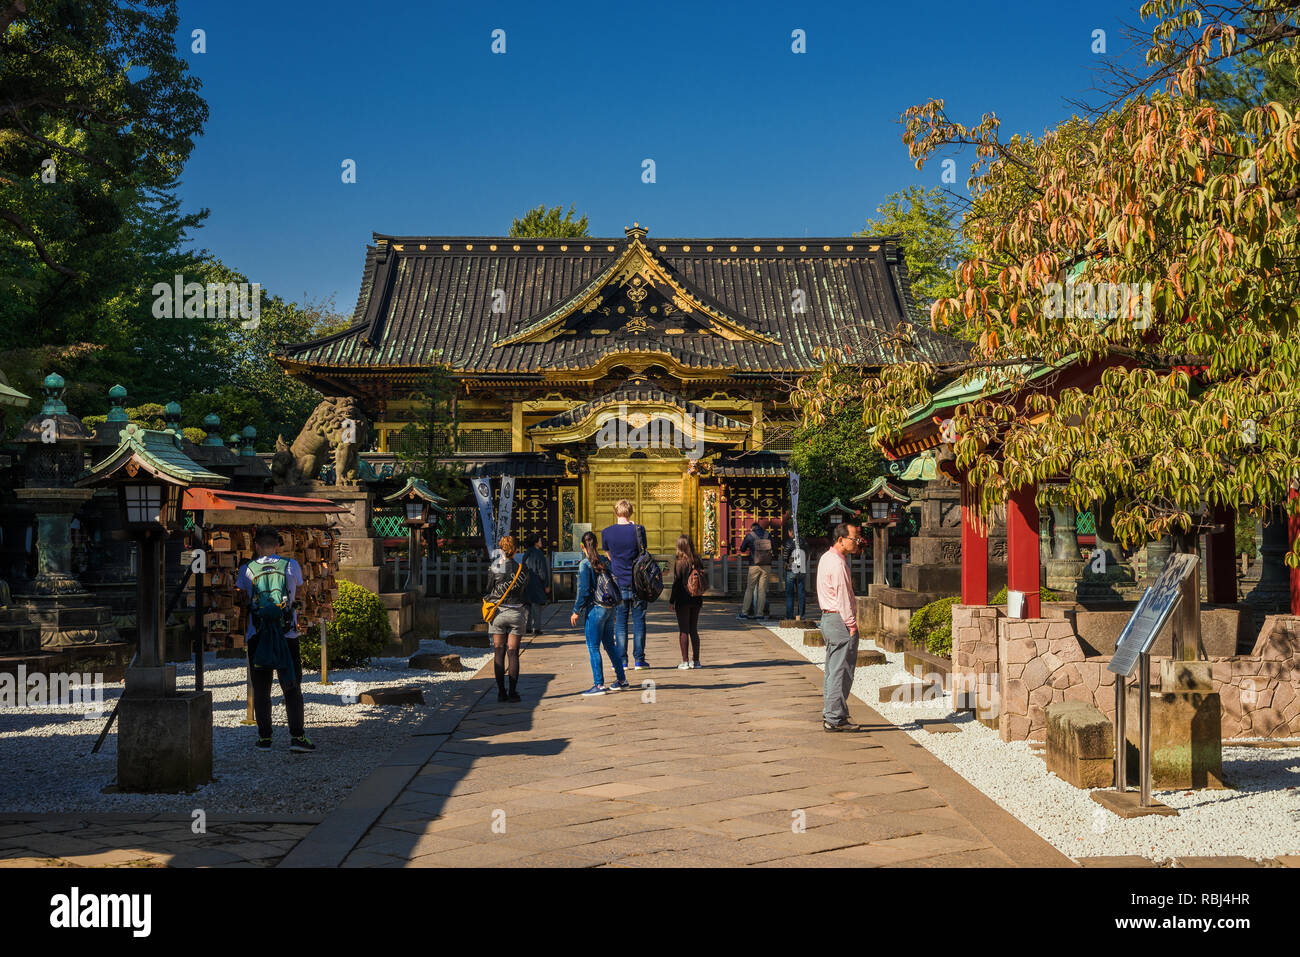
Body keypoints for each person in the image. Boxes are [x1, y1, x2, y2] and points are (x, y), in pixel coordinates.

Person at [236, 526, 314, 752]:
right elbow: (299, 590)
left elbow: (242, 596)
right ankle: (297, 737)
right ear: (278, 545)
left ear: (257, 546)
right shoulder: (291, 565)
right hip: (286, 634)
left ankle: (265, 739)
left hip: (257, 635)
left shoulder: (247, 569)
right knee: (291, 685)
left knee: (261, 689)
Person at [816, 522, 865, 732]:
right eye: (854, 539)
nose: (857, 543)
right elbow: (843, 597)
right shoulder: (837, 564)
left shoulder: (827, 558)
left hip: (829, 618)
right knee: (841, 670)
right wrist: (852, 625)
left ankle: (832, 713)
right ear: (840, 540)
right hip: (839, 619)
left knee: (833, 669)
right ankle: (835, 717)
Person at [570, 530, 627, 696]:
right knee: (610, 644)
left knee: (593, 646)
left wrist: (576, 611)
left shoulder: (584, 564)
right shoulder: (604, 560)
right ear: (596, 545)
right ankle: (622, 680)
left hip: (595, 609)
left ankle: (599, 684)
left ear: (582, 546)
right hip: (610, 608)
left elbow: (583, 590)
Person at [601, 499, 649, 669]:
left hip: (617, 581)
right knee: (639, 621)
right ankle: (639, 659)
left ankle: (621, 660)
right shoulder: (639, 529)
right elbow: (643, 552)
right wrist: (634, 527)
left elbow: (609, 556)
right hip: (637, 582)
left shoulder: (606, 532)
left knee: (620, 622)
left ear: (616, 512)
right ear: (631, 512)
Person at [484, 534, 532, 702]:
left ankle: (501, 692)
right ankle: (512, 692)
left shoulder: (495, 567)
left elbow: (489, 588)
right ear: (516, 550)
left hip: (498, 613)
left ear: (501, 550)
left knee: (498, 651)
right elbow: (525, 589)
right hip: (516, 612)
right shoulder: (522, 568)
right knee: (513, 653)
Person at [669, 534, 705, 669]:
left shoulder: (680, 563)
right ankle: (696, 661)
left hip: (683, 599)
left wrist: (672, 601)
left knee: (683, 630)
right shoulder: (697, 560)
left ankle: (685, 661)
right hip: (696, 598)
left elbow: (677, 584)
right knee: (693, 630)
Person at [737, 521, 773, 620]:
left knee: (750, 589)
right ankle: (760, 614)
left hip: (754, 565)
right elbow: (773, 547)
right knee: (762, 591)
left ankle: (745, 613)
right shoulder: (767, 534)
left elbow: (742, 549)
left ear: (752, 528)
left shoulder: (750, 536)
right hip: (766, 565)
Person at [521, 532, 551, 636]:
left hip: (527, 582)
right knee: (536, 606)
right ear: (535, 542)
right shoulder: (538, 553)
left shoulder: (526, 554)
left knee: (528, 606)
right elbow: (542, 571)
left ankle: (527, 627)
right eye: (539, 540)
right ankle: (536, 628)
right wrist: (546, 584)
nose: (541, 542)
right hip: (537, 582)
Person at [781, 524, 809, 621]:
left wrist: (786, 563)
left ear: (790, 532)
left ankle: (789, 615)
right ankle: (802, 615)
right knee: (801, 592)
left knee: (790, 593)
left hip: (791, 569)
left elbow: (785, 557)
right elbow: (807, 554)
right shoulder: (804, 542)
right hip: (801, 569)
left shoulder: (788, 542)